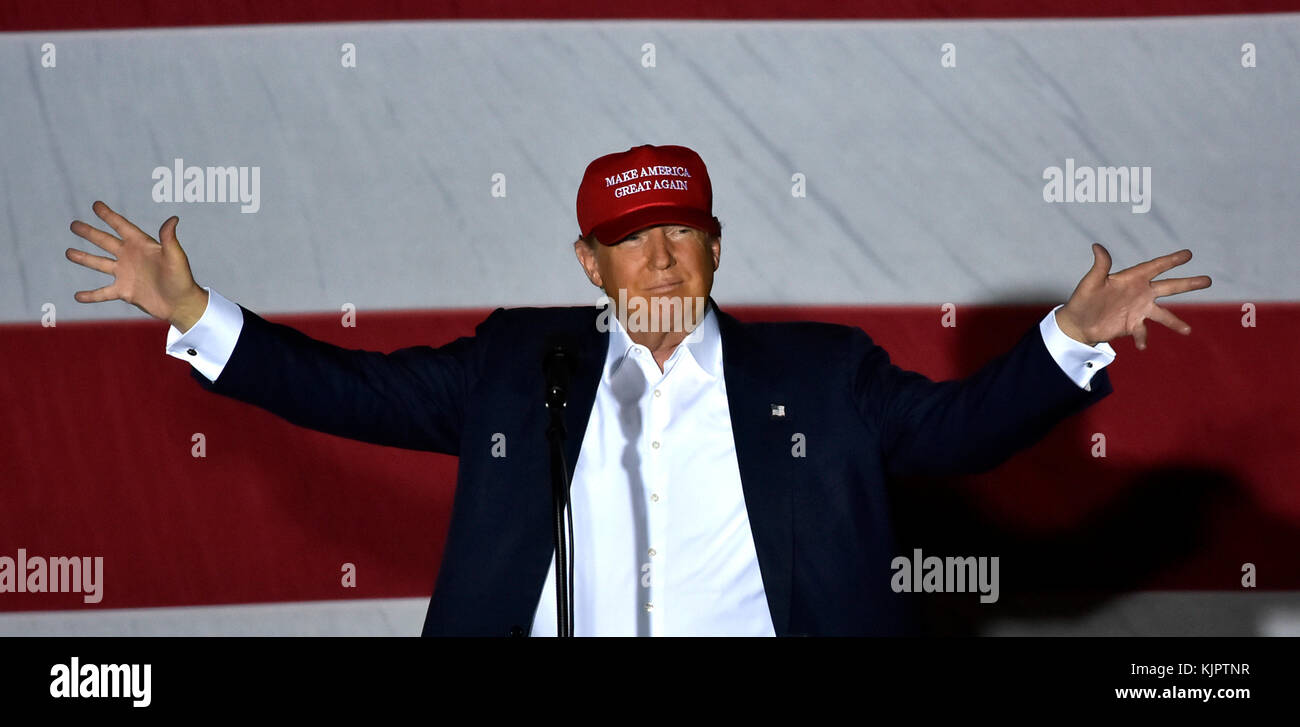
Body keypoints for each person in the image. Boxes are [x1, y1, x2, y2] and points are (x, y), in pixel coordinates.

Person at [64, 144, 1212, 636]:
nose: (658, 257)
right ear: (589, 266)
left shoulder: (822, 376)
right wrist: (194, 312)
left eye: (680, 233)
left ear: (717, 249)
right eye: (630, 238)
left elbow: (959, 434)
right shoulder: (520, 367)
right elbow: (348, 391)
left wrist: (1066, 336)